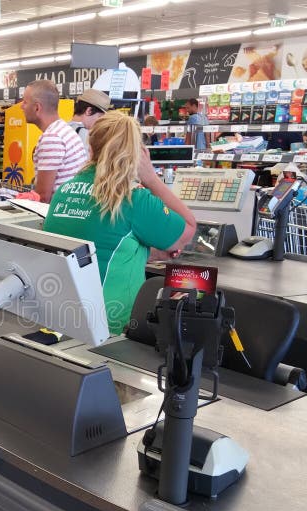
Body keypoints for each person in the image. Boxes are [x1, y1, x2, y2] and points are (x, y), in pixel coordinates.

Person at [43, 112, 197, 334]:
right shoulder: (133, 199)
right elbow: (188, 230)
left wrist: (147, 252)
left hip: (62, 318)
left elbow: (101, 246)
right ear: (137, 154)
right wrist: (152, 180)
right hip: (112, 327)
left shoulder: (64, 191)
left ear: (92, 147)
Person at [21, 80, 88, 203]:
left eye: (25, 102)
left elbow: (43, 197)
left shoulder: (52, 138)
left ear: (37, 107)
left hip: (58, 214)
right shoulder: (65, 130)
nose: (21, 106)